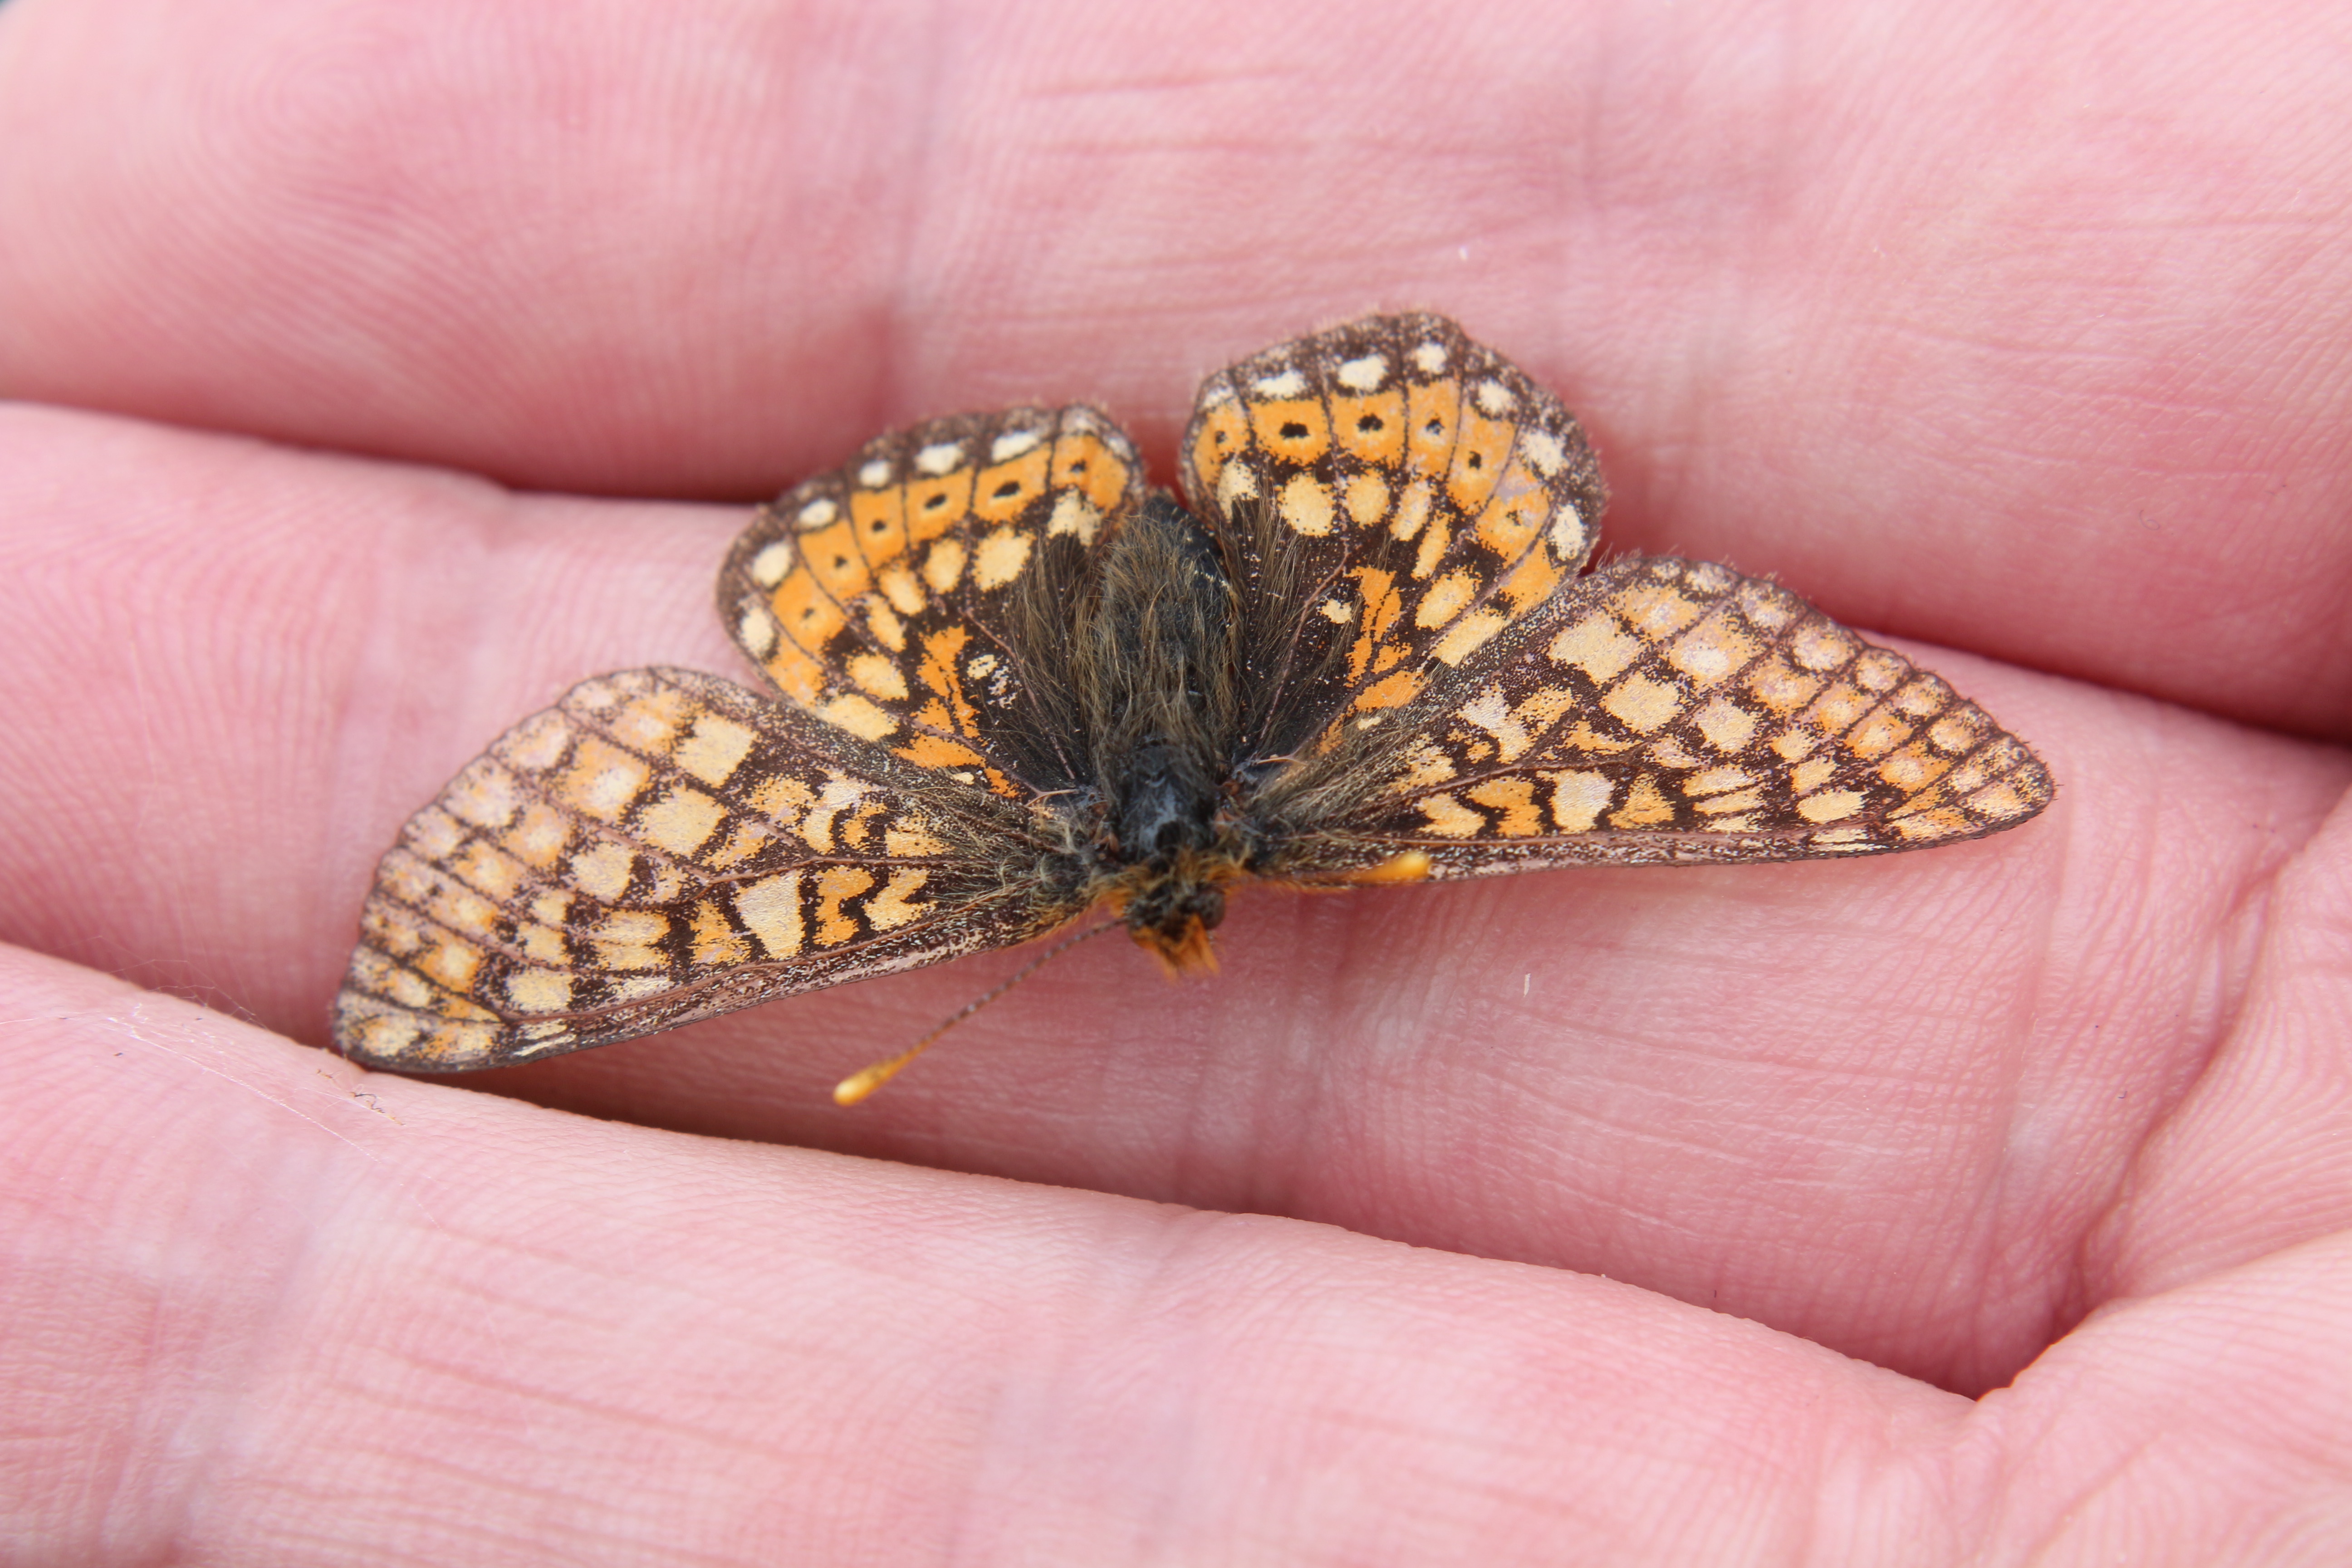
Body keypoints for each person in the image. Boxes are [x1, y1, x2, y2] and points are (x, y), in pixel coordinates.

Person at [3, 0, 2345, 1559]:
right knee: (1552, 777)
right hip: (1340, 597)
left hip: (985, 644)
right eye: (1169, 918)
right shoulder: (1283, 830)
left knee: (1572, 786)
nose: (1180, 936)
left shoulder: (1025, 877)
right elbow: (1631, 719)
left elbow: (1687, 738)